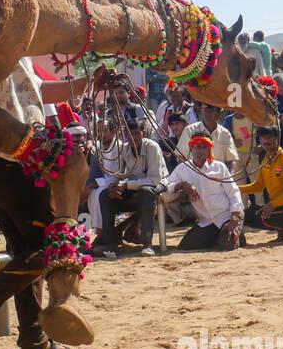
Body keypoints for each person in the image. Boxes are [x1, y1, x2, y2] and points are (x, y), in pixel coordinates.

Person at [0, 58, 93, 349]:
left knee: (24, 249)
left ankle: (34, 341)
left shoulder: (17, 51)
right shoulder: (1, 43)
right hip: (10, 157)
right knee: (48, 246)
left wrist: (84, 84)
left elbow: (37, 91)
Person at [93, 119, 169, 257]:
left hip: (156, 184)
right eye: (129, 134)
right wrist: (114, 187)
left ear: (143, 133)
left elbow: (154, 179)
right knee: (105, 195)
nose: (133, 138)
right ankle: (110, 241)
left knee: (146, 192)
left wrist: (126, 185)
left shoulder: (152, 147)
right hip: (133, 185)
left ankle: (147, 244)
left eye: (136, 134)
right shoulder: (125, 149)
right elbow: (119, 174)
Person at [164, 135, 245, 251]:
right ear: (191, 149)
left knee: (226, 246)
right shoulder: (182, 168)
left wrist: (234, 219)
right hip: (206, 220)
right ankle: (218, 236)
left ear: (209, 150)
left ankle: (234, 234)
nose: (199, 151)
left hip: (227, 215)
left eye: (203, 147)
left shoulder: (219, 167)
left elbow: (234, 193)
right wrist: (182, 185)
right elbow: (166, 188)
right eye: (197, 147)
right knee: (186, 245)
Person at [238, 125, 283, 243]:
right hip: (277, 207)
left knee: (264, 216)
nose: (266, 141)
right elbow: (258, 186)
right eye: (263, 138)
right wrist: (235, 188)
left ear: (277, 138)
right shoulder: (266, 159)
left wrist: (272, 204)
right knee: (245, 216)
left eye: (269, 137)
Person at [177, 103, 239, 174]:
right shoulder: (189, 130)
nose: (207, 113)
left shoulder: (225, 134)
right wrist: (187, 175)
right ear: (201, 111)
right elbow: (181, 157)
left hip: (218, 179)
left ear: (219, 114)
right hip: (194, 178)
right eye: (205, 109)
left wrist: (229, 177)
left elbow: (231, 159)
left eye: (211, 110)